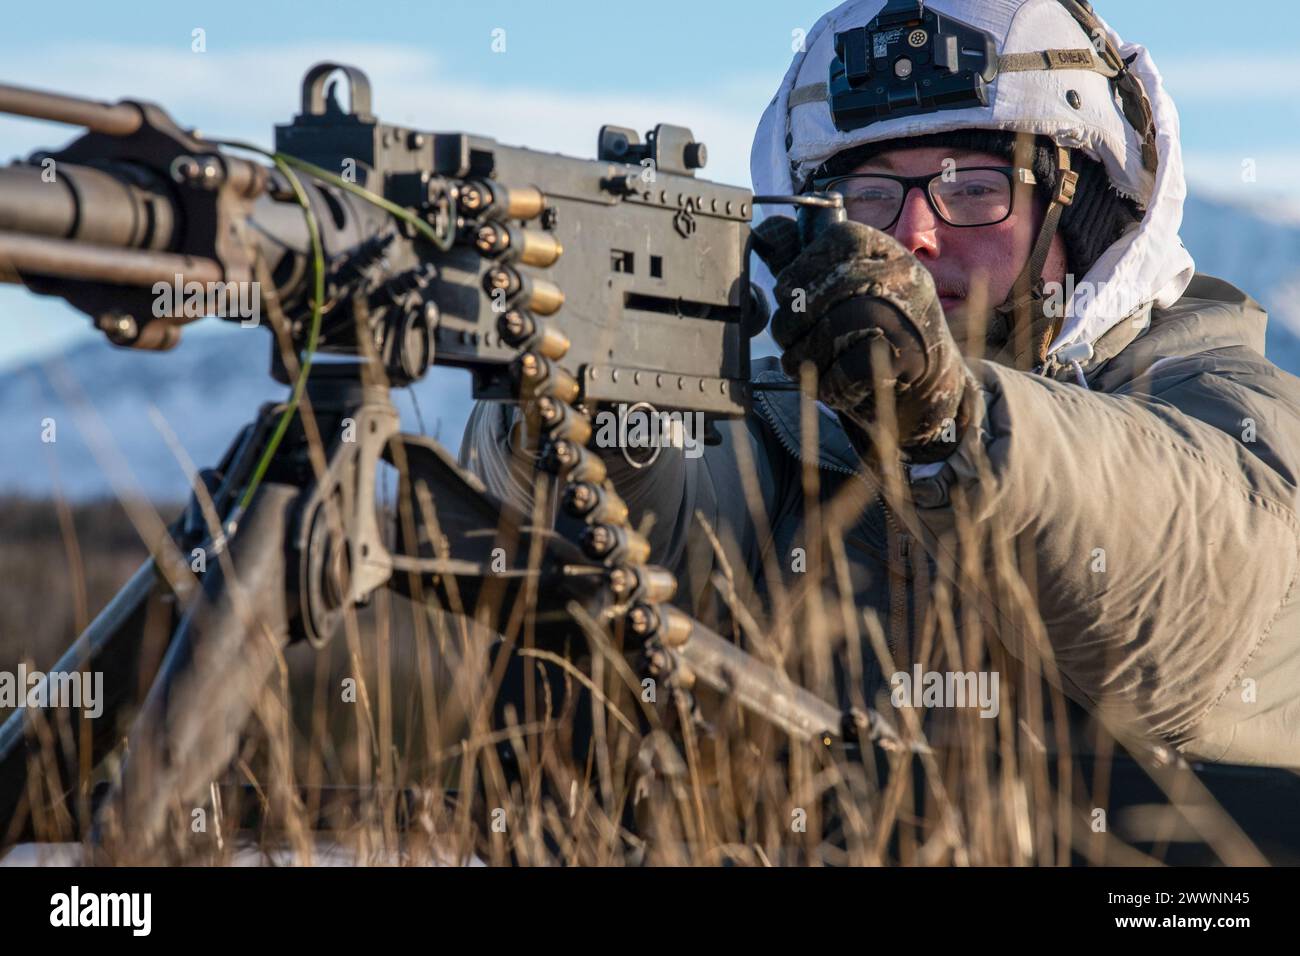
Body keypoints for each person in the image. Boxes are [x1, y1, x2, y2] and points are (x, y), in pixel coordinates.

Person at [462, 0, 1300, 767]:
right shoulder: (794, 421)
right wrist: (578, 396)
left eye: (973, 189)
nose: (914, 236)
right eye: (869, 194)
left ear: (1079, 219)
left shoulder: (1235, 406)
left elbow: (1207, 584)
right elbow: (662, 520)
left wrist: (952, 420)